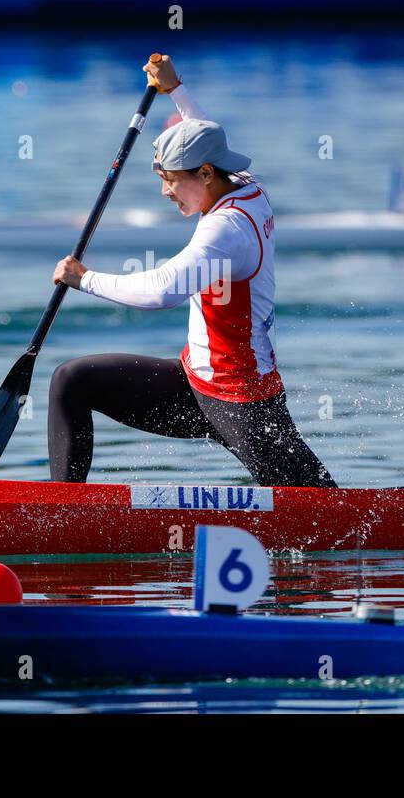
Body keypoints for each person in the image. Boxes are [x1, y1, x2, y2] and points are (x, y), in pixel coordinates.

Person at [49, 54, 335, 487]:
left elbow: (163, 289)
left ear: (204, 174)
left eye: (170, 180)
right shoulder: (245, 183)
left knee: (321, 508)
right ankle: (60, 512)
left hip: (241, 401)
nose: (165, 192)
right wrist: (175, 88)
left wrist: (84, 279)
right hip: (193, 384)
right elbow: (205, 133)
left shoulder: (226, 230)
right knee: (71, 381)